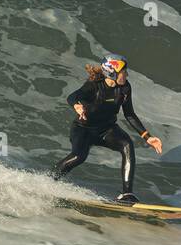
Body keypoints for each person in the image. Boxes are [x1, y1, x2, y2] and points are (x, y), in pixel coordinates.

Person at [52, 53, 162, 204]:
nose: (127, 74)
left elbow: (129, 114)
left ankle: (127, 194)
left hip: (107, 129)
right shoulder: (94, 85)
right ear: (113, 72)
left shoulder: (125, 88)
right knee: (79, 156)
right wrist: (76, 105)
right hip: (84, 129)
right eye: (124, 71)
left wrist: (147, 137)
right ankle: (50, 180)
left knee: (127, 145)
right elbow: (72, 96)